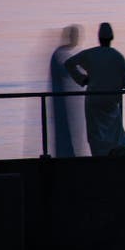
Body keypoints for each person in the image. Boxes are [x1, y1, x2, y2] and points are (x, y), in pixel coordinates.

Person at [64, 22, 125, 156]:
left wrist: (82, 79)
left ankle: (99, 155)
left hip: (93, 98)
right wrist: (114, 84)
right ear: (111, 38)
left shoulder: (90, 54)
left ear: (99, 38)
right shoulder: (117, 56)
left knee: (95, 131)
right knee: (114, 129)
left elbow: (69, 63)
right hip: (111, 99)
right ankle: (115, 153)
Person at [50, 24, 82, 157]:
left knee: (67, 132)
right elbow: (71, 73)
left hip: (65, 101)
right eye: (76, 36)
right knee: (65, 131)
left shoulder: (61, 54)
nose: (77, 39)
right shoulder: (61, 55)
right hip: (62, 102)